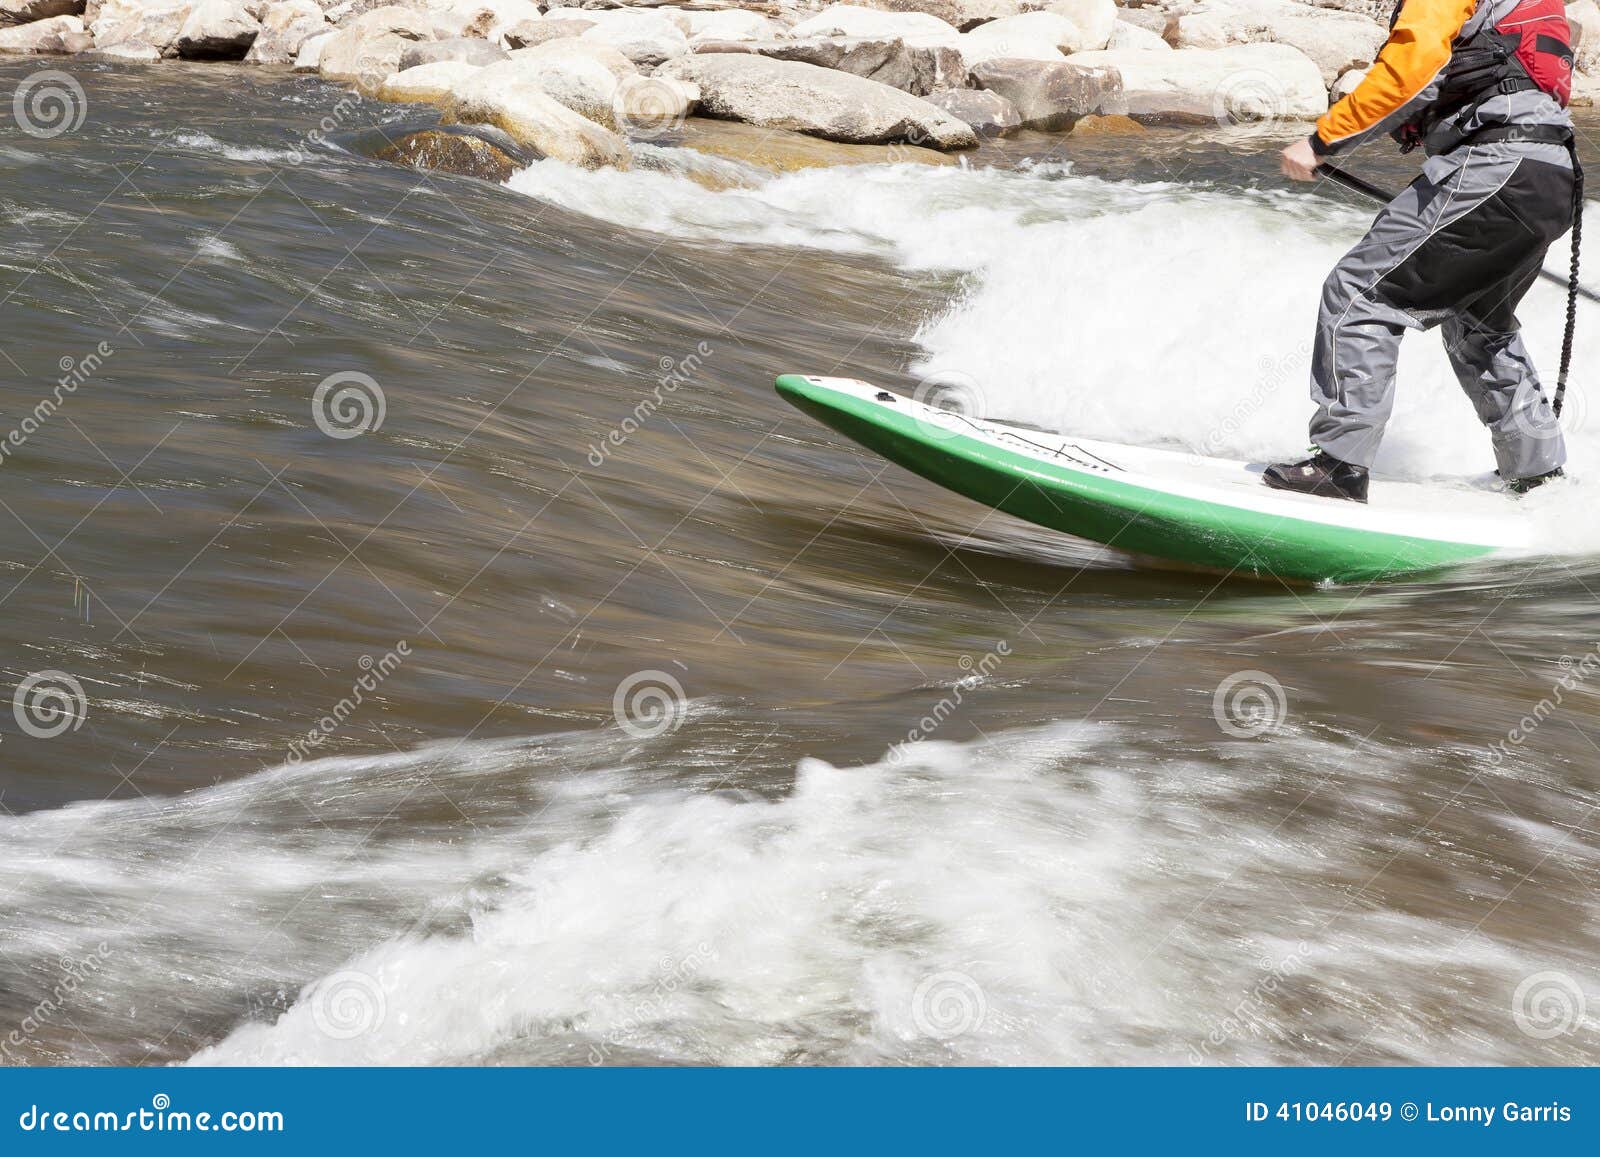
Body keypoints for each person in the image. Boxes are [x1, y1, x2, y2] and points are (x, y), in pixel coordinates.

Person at [1266, 0, 1580, 503]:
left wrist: (1323, 141)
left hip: (1494, 165)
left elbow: (1412, 70)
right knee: (1480, 324)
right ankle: (1538, 480)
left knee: (1359, 295)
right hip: (1550, 176)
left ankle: (1339, 467)